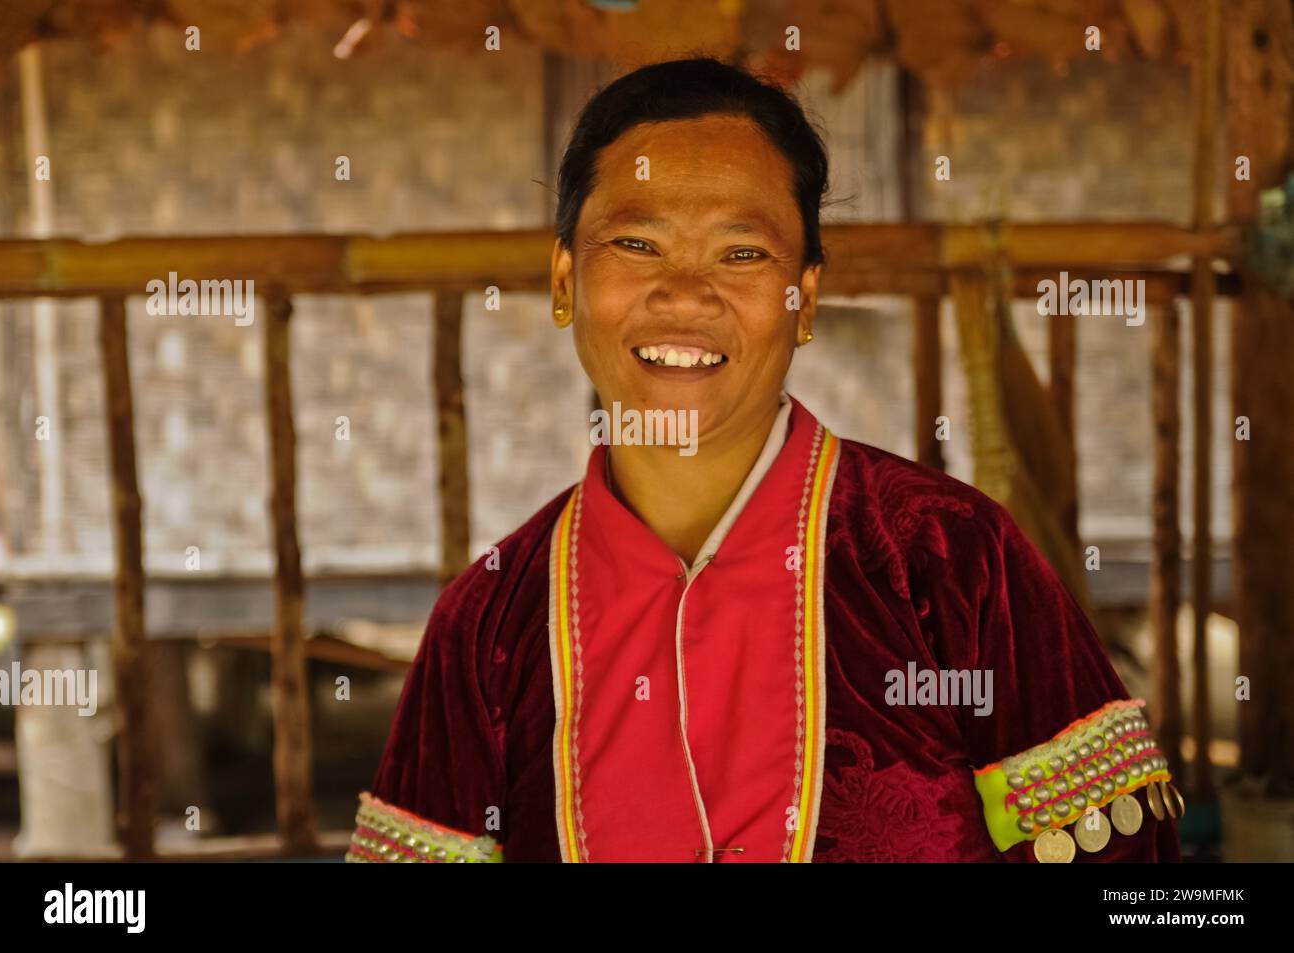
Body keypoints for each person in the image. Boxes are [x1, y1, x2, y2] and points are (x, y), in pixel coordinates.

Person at [346, 56, 1182, 864]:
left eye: (742, 253)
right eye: (637, 245)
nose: (685, 293)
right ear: (564, 280)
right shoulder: (489, 621)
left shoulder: (950, 556)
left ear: (805, 298)